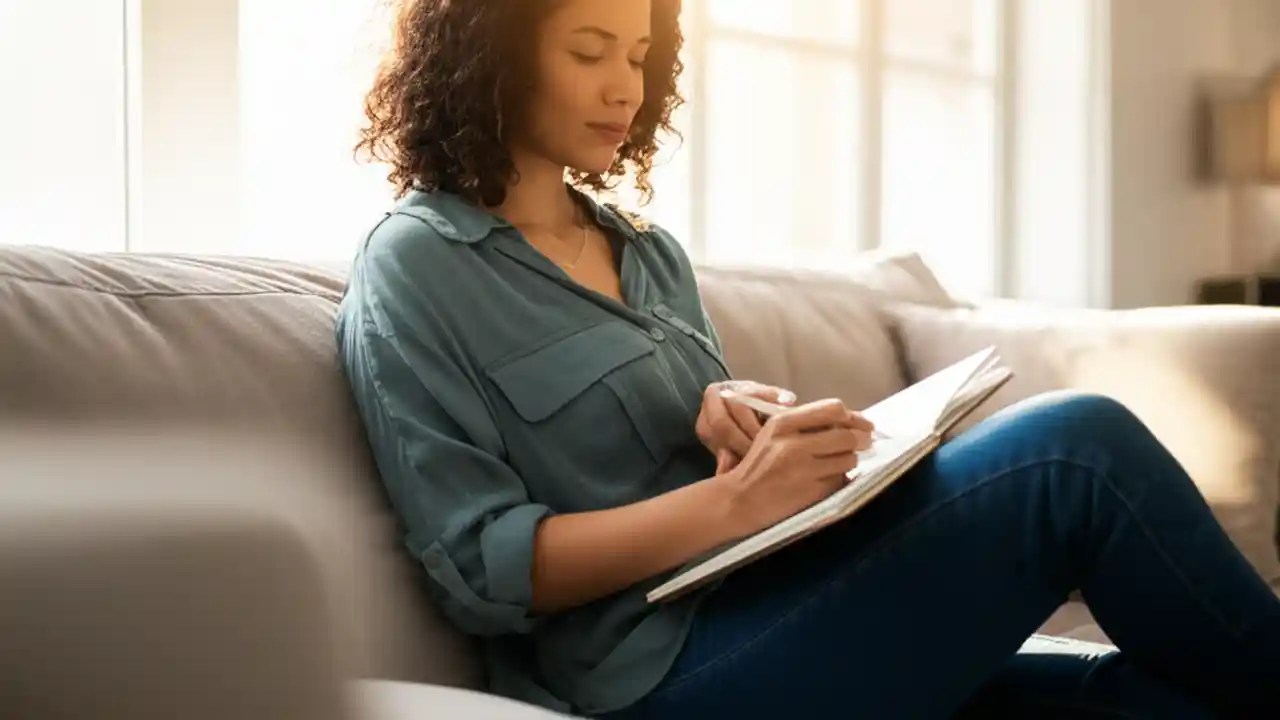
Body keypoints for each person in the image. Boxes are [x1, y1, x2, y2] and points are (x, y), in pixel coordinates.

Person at [335, 0, 1280, 717]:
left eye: (637, 54)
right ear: (492, 49)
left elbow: (681, 452)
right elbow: (481, 569)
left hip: (781, 594)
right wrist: (734, 500)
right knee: (1075, 450)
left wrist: (739, 422)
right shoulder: (417, 266)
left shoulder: (646, 253)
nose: (625, 85)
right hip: (651, 671)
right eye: (589, 51)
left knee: (1147, 697)